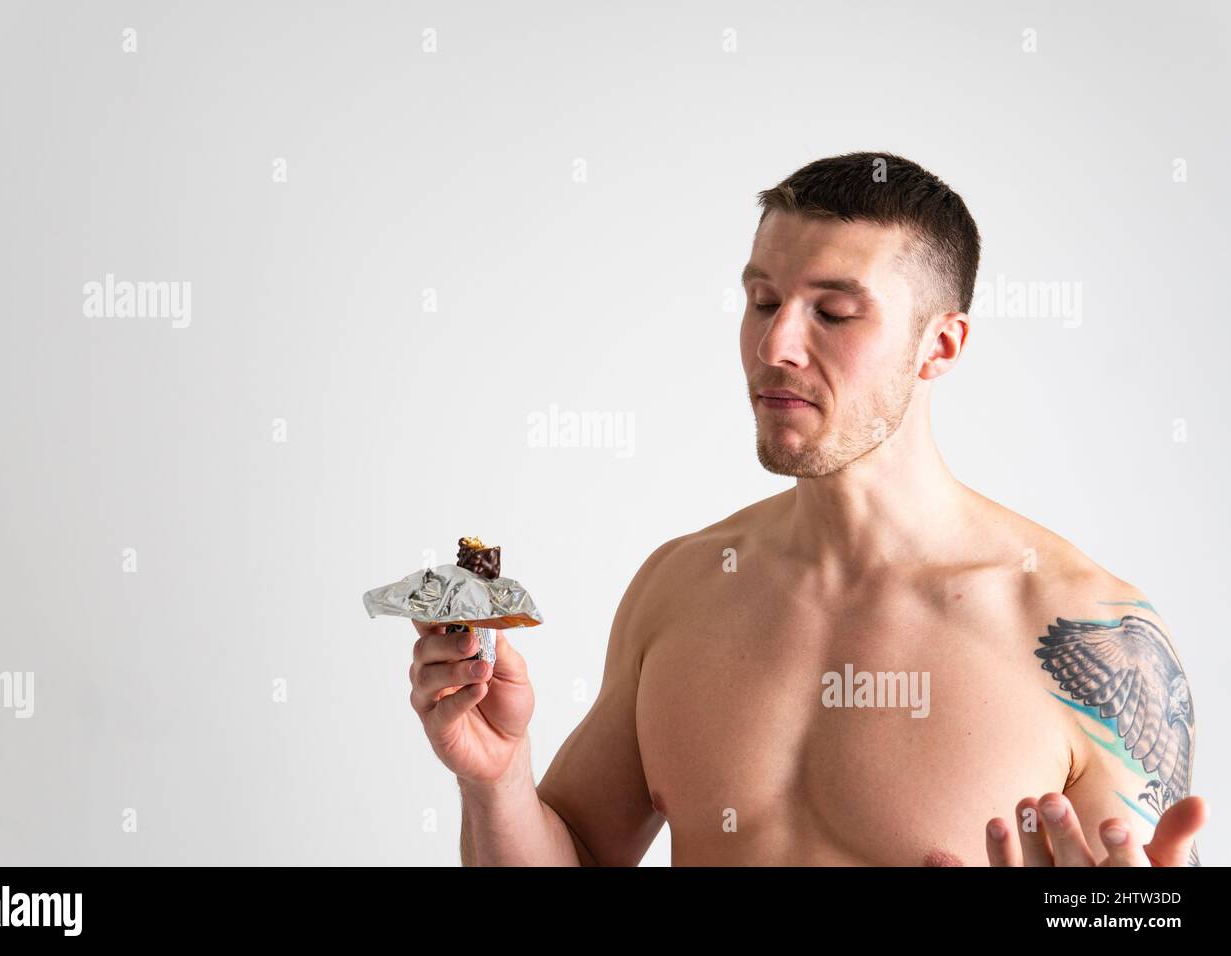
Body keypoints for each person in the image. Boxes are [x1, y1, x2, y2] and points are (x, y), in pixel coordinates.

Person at [407, 152, 1206, 866]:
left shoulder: (1088, 636)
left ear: (941, 346)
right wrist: (498, 781)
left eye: (833, 312)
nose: (775, 346)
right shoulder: (682, 587)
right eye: (762, 301)